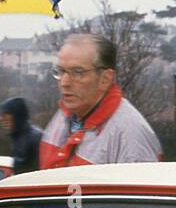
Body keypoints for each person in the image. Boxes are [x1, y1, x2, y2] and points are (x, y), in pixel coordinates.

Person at [39, 34, 163, 169]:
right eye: (61, 71)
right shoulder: (65, 114)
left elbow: (138, 189)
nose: (64, 82)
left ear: (105, 78)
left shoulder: (131, 136)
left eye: (78, 72)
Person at [0, 96, 42, 173]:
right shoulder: (18, 136)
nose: (1, 118)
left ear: (17, 115)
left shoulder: (34, 138)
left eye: (6, 114)